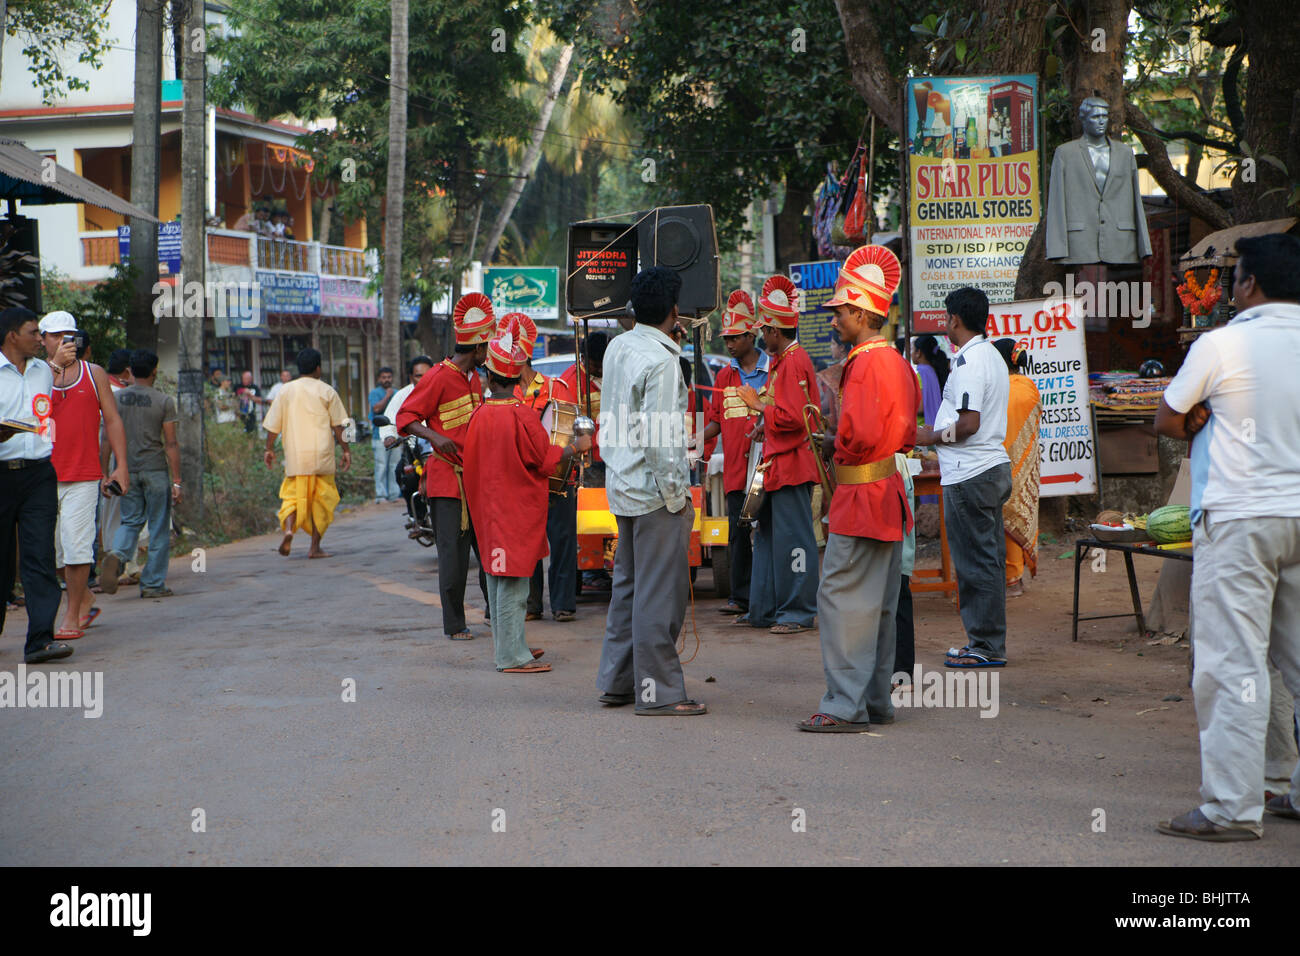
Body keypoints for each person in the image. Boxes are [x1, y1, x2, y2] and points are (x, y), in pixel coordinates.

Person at [1154, 232, 1300, 841]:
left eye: (1234, 276)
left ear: (1250, 284)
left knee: (1234, 663)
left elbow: (1167, 418)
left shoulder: (1222, 343)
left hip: (1240, 517)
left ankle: (1231, 809)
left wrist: (1199, 416)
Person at [797, 245, 919, 731]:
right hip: (887, 495)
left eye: (844, 311)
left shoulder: (865, 364)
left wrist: (832, 441)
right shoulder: (897, 361)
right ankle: (874, 701)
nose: (837, 320)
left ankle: (843, 705)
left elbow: (859, 436)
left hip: (861, 496)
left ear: (865, 312)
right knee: (879, 604)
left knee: (842, 600)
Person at [595, 267, 705, 716]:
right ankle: (657, 692)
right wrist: (679, 497)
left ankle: (617, 682)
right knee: (658, 595)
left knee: (629, 589)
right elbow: (662, 442)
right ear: (675, 311)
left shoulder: (619, 346)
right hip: (656, 491)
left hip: (623, 486)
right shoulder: (662, 360)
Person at [463, 331, 590, 674]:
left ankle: (511, 645)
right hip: (513, 511)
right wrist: (576, 448)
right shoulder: (520, 415)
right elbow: (547, 460)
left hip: (487, 511)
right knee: (513, 584)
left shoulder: (478, 414)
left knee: (498, 577)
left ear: (489, 376)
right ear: (518, 376)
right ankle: (510, 656)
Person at [914, 287, 1011, 669]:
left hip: (971, 472)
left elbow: (969, 424)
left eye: (945, 318)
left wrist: (931, 437)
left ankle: (985, 645)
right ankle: (985, 641)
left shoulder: (971, 361)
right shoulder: (990, 355)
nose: (944, 324)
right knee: (985, 560)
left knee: (975, 563)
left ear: (954, 319)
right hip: (983, 469)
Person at [396, 293, 494, 640]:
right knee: (452, 556)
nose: (489, 352)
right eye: (488, 346)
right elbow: (405, 417)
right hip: (447, 480)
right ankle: (454, 624)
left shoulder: (473, 380)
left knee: (488, 552)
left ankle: (494, 613)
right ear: (478, 347)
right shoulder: (438, 376)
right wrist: (434, 437)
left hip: (475, 479)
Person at [735, 275, 820, 635]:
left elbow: (793, 417)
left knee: (795, 540)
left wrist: (758, 407)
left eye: (764, 331)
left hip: (793, 464)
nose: (761, 336)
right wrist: (763, 422)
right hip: (777, 462)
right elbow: (782, 413)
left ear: (774, 330)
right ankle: (765, 608)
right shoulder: (784, 361)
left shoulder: (794, 362)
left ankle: (798, 611)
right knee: (768, 538)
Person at [40, 312, 128, 641]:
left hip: (83, 474)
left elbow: (113, 420)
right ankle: (84, 599)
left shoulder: (95, 374)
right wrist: (53, 368)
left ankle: (72, 612)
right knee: (53, 551)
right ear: (43, 340)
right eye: (56, 335)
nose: (64, 341)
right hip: (41, 477)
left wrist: (121, 465)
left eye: (70, 335)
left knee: (77, 547)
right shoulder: (34, 375)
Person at [0, 307, 75, 664]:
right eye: (33, 332)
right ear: (12, 335)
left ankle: (40, 641)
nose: (39, 338)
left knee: (39, 555)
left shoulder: (44, 371)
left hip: (39, 474)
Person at [501, 312, 579, 623]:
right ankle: (532, 604)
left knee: (561, 542)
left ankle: (563, 604)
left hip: (557, 477)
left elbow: (571, 426)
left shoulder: (555, 387)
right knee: (528, 545)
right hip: (522, 481)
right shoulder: (503, 394)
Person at [700, 290, 769, 616]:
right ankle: (741, 596)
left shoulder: (772, 369)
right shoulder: (724, 375)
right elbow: (715, 421)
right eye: (726, 338)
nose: (729, 344)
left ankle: (768, 594)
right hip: (735, 472)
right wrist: (695, 439)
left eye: (735, 338)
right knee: (738, 534)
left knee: (768, 531)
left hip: (767, 467)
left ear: (750, 335)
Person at [100, 350, 181, 598]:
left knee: (130, 520)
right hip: (155, 469)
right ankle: (153, 584)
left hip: (126, 470)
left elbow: (105, 439)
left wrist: (104, 473)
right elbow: (171, 444)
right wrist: (177, 480)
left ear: (131, 371)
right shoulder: (164, 401)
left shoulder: (117, 399)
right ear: (154, 371)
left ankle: (118, 555)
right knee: (157, 527)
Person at [262, 348, 351, 558]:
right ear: (318, 368)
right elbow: (340, 426)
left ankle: (290, 530)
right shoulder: (327, 391)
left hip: (295, 455)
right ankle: (315, 547)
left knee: (292, 497)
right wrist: (346, 450)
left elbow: (273, 426)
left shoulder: (285, 391)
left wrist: (269, 449)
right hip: (322, 454)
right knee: (322, 500)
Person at [993, 338, 1041, 598]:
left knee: (1003, 516)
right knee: (1020, 513)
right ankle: (1015, 576)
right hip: (1026, 461)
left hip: (1001, 461)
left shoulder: (1000, 389)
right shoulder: (1029, 387)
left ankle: (1010, 578)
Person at [379, 355, 435, 531]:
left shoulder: (443, 390)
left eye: (428, 374)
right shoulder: (402, 396)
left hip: (442, 449)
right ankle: (417, 516)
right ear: (411, 377)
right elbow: (389, 420)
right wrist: (389, 437)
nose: (424, 379)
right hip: (415, 451)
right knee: (404, 474)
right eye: (419, 375)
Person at [368, 366, 401, 503]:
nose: (387, 380)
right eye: (384, 377)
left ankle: (395, 494)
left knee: (394, 466)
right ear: (379, 379)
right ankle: (381, 495)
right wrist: (387, 396)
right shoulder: (375, 393)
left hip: (396, 435)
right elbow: (376, 408)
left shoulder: (398, 393)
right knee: (381, 466)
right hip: (379, 436)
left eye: (389, 377)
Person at [911, 333, 949, 427]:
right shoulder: (933, 371)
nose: (911, 353)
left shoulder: (921, 373)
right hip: (935, 424)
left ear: (918, 353)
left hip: (923, 426)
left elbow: (920, 408)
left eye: (912, 349)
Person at [235, 370, 264, 434]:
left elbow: (260, 401)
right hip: (239, 415)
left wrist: (250, 395)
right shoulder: (237, 387)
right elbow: (233, 398)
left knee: (251, 434)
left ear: (251, 379)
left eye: (247, 379)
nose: (244, 380)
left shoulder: (254, 387)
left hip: (251, 414)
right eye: (243, 378)